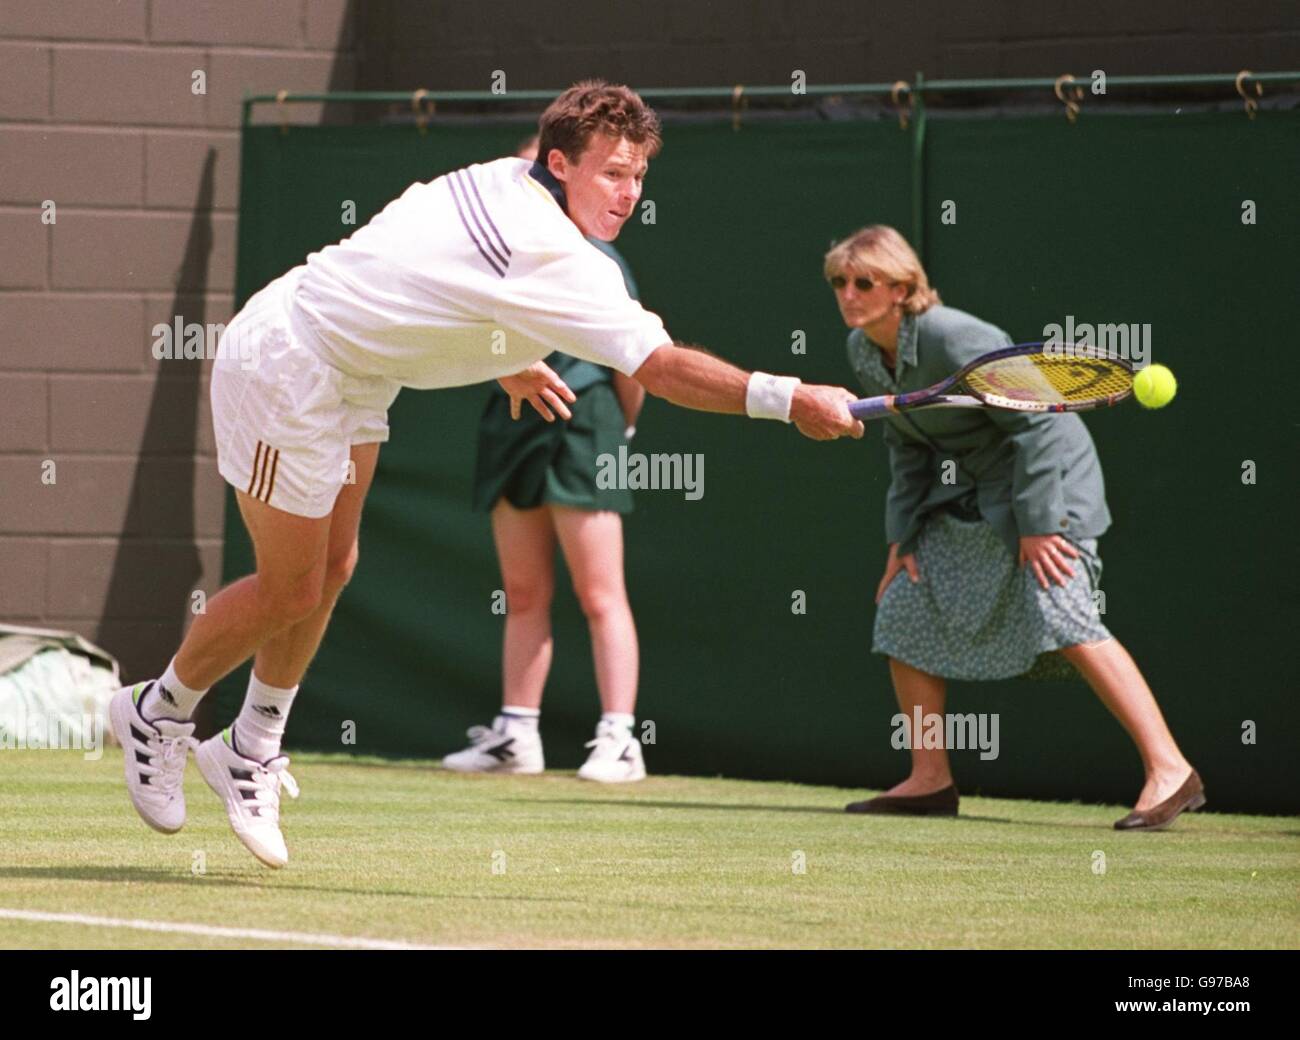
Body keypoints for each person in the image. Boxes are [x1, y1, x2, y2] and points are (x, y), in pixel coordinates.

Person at [108, 81, 863, 868]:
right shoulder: (558, 253)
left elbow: (434, 272)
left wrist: (504, 354)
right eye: (611, 172)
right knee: (292, 586)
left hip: (360, 372)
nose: (629, 193)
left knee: (336, 567)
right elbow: (663, 367)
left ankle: (248, 748)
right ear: (559, 164)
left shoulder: (504, 177)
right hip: (288, 361)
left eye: (639, 174)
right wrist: (792, 397)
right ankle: (157, 712)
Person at [829, 225, 1202, 830]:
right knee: (904, 606)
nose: (849, 293)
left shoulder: (956, 336)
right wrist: (902, 541)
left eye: (864, 281)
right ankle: (930, 779)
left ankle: (1170, 768)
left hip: (1048, 487)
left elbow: (1042, 425)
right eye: (840, 282)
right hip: (978, 492)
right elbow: (906, 447)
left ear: (901, 289)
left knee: (1066, 614)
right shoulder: (863, 350)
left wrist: (1039, 524)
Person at [446, 135, 648, 782]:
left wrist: (621, 429)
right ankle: (516, 734)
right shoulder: (494, 257)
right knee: (524, 590)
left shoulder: (601, 261)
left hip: (585, 420)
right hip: (511, 424)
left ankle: (620, 738)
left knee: (599, 593)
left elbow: (637, 359)